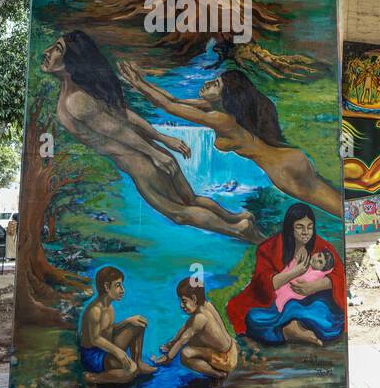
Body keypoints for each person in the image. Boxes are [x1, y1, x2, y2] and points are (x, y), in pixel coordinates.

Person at [42, 32, 257, 241]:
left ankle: (238, 229)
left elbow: (118, 130)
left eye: (57, 49)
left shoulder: (75, 100)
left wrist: (155, 154)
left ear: (72, 60)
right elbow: (125, 116)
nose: (47, 51)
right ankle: (236, 217)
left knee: (178, 213)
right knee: (190, 199)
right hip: (152, 152)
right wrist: (162, 142)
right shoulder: (85, 92)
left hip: (142, 163)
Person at [117, 63, 343, 217]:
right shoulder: (217, 109)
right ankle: (364, 215)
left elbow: (168, 107)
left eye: (216, 84)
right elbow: (172, 98)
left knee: (336, 207)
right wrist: (140, 81)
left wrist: (136, 83)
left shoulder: (221, 119)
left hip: (284, 168)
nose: (208, 84)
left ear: (226, 96)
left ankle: (366, 221)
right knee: (336, 200)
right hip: (286, 162)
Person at [226, 204, 346, 347]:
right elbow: (265, 285)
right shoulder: (269, 248)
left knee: (330, 316)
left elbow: (339, 274)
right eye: (300, 227)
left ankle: (294, 328)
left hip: (310, 303)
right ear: (290, 227)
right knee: (254, 318)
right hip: (279, 305)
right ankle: (291, 330)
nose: (306, 232)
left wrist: (314, 286)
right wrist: (295, 272)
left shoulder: (320, 247)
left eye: (309, 227)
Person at [78, 266, 155, 388]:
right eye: (118, 285)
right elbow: (95, 339)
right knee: (130, 371)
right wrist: (117, 352)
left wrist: (127, 321)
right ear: (107, 287)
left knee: (138, 323)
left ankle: (139, 362)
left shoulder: (109, 307)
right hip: (94, 356)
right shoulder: (95, 311)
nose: (122, 290)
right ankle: (91, 378)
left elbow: (109, 330)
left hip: (106, 348)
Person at [154, 277, 238, 388]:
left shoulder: (200, 318)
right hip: (231, 349)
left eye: (184, 301)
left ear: (194, 298)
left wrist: (168, 358)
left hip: (226, 360)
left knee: (185, 354)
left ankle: (218, 374)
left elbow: (184, 339)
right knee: (191, 335)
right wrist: (172, 343)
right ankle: (172, 345)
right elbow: (187, 325)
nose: (181, 305)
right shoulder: (206, 305)